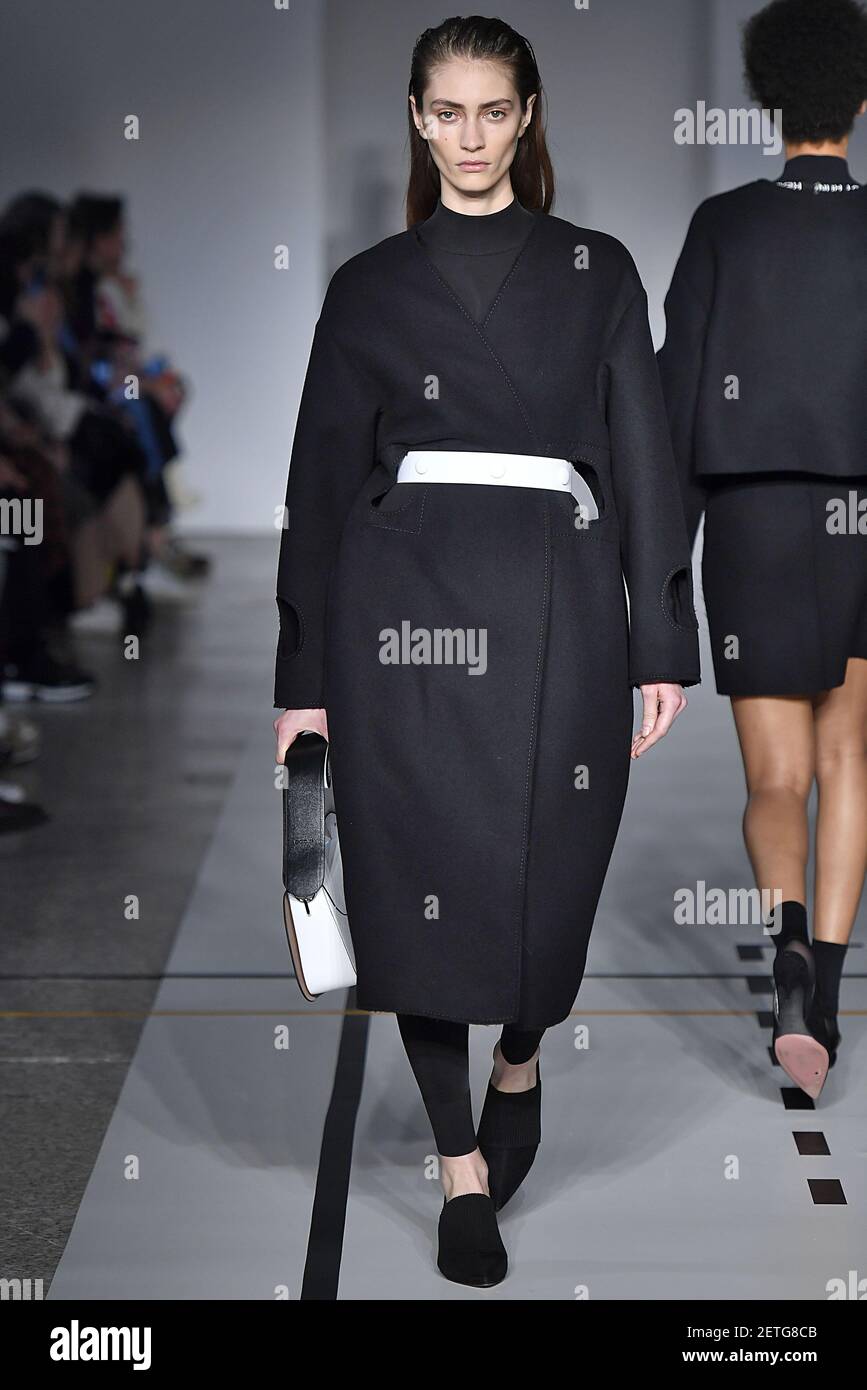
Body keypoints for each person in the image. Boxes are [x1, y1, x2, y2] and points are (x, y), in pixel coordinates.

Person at [273, 14, 700, 1287]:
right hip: (396, 619)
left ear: (527, 117)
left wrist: (658, 636)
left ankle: (522, 1049)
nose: (469, 137)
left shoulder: (598, 270)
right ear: (417, 115)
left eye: (491, 112)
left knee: (553, 870)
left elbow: (646, 466)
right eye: (445, 112)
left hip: (563, 603)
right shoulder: (368, 289)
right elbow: (316, 490)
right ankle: (461, 1166)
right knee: (416, 878)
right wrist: (304, 687)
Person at [658, 0, 867, 1101]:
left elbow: (673, 404)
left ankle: (785, 944)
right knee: (850, 763)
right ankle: (826, 995)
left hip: (754, 524)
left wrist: (661, 569)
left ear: (768, 97)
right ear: (862, 98)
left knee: (776, 775)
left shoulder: (725, 227)